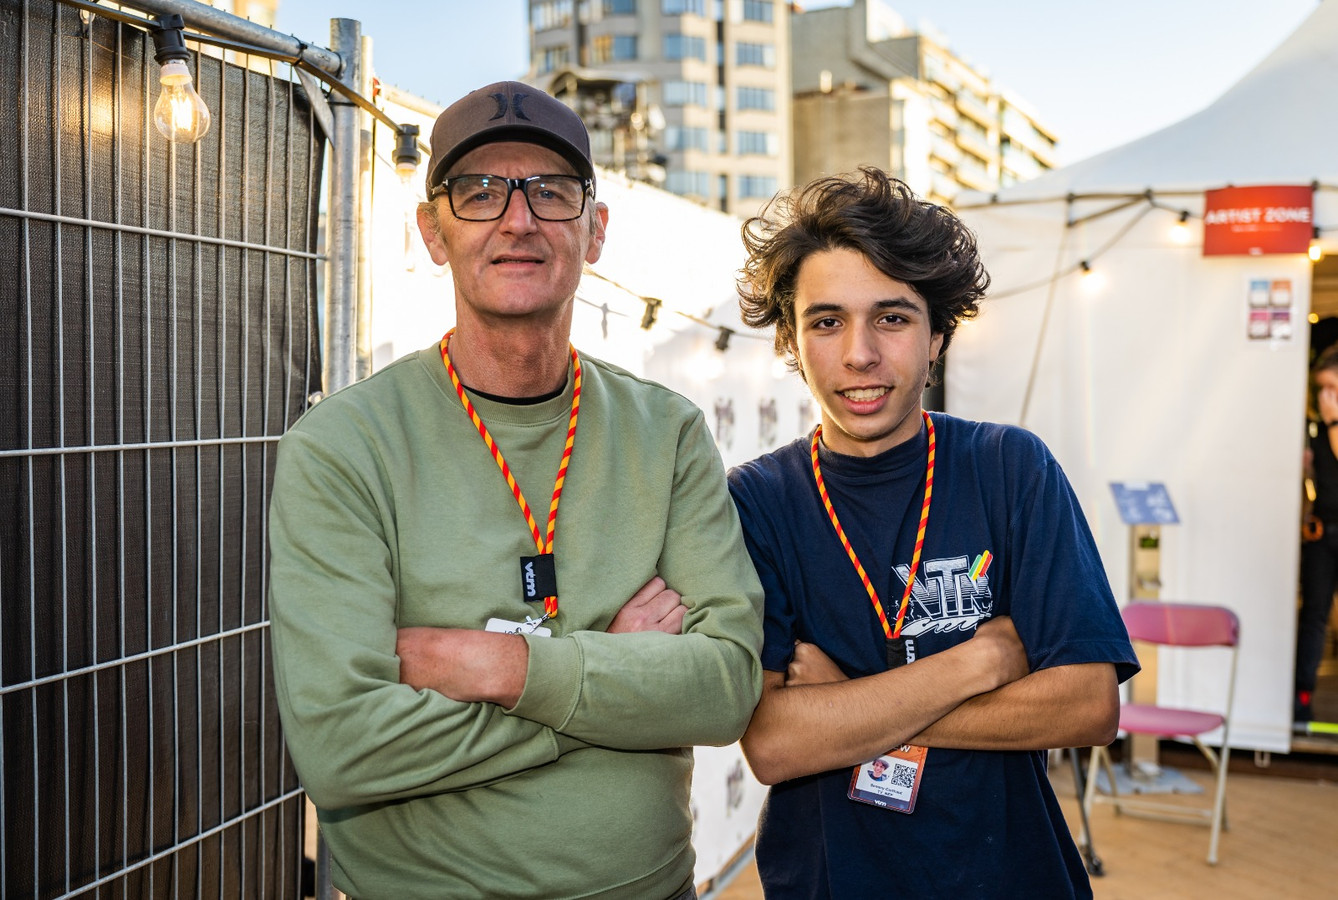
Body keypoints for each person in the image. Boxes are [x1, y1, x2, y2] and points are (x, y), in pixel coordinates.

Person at [267, 81, 764, 900]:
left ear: (595, 230)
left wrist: (498, 664)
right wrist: (613, 682)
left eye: (552, 192)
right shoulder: (343, 447)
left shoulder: (666, 433)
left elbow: (725, 691)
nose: (519, 218)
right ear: (433, 231)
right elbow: (344, 749)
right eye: (480, 191)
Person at [727, 168, 1140, 898]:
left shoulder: (1009, 467)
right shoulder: (757, 501)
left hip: (1011, 876)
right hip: (832, 880)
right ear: (792, 342)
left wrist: (849, 701)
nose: (859, 353)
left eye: (892, 317)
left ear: (938, 334)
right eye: (826, 322)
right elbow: (773, 740)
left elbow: (1087, 705)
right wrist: (974, 665)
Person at [1297, 343, 1338, 724]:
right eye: (1321, 389)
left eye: (1333, 388)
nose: (1326, 397)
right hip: (1323, 535)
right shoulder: (1316, 429)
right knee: (1314, 618)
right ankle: (1301, 700)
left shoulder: (1331, 425)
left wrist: (1333, 422)